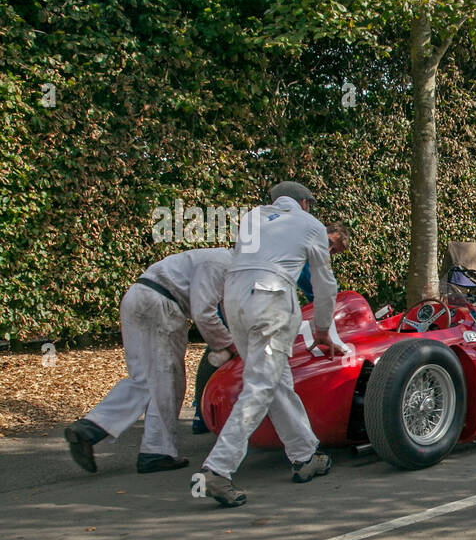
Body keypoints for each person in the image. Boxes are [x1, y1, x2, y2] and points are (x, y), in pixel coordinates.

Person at [196, 181, 338, 508]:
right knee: (261, 384)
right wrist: (321, 329)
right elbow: (324, 283)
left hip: (235, 302)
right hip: (271, 301)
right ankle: (217, 469)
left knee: (275, 381)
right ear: (304, 203)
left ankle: (305, 456)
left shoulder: (252, 217)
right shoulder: (310, 224)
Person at [65, 248, 235, 474]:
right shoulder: (222, 264)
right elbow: (204, 313)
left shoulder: (220, 261)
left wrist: (229, 337)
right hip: (160, 305)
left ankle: (90, 429)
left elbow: (225, 310)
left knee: (145, 380)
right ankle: (156, 452)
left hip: (140, 297)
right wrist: (228, 345)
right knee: (167, 381)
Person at [192, 223, 351, 433]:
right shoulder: (303, 246)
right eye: (330, 244)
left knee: (227, 355)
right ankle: (209, 416)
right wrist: (329, 312)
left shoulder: (288, 240)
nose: (329, 251)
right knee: (242, 360)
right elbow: (316, 288)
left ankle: (204, 416)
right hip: (250, 305)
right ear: (323, 234)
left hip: (240, 300)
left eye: (334, 251)